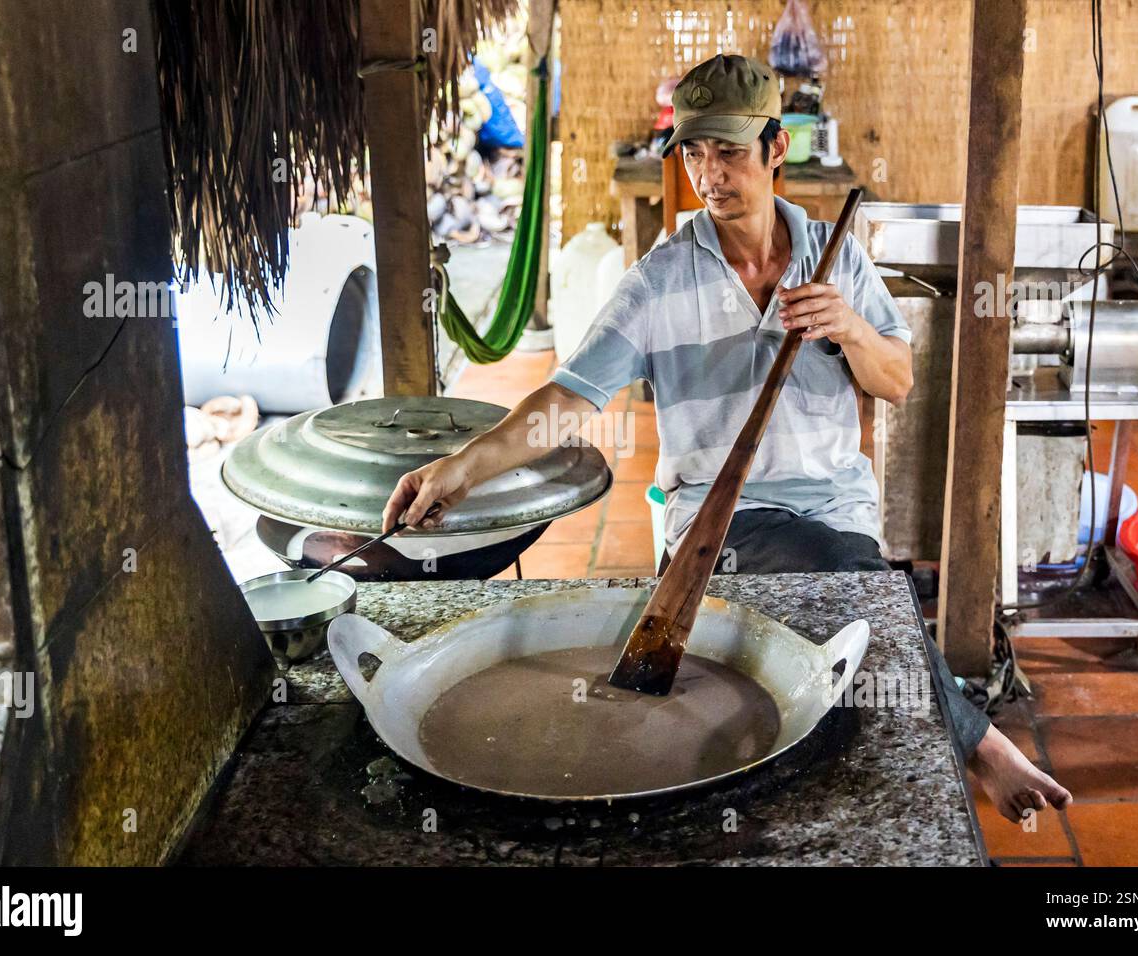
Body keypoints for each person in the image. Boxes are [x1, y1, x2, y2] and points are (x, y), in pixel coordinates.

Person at [383, 54, 1071, 825]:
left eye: (731, 152)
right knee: (859, 585)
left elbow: (899, 380)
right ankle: (982, 751)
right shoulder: (660, 282)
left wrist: (846, 329)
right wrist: (459, 470)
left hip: (835, 509)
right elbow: (568, 400)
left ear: (777, 149)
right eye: (696, 152)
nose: (710, 174)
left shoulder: (835, 258)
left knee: (851, 607)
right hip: (722, 521)